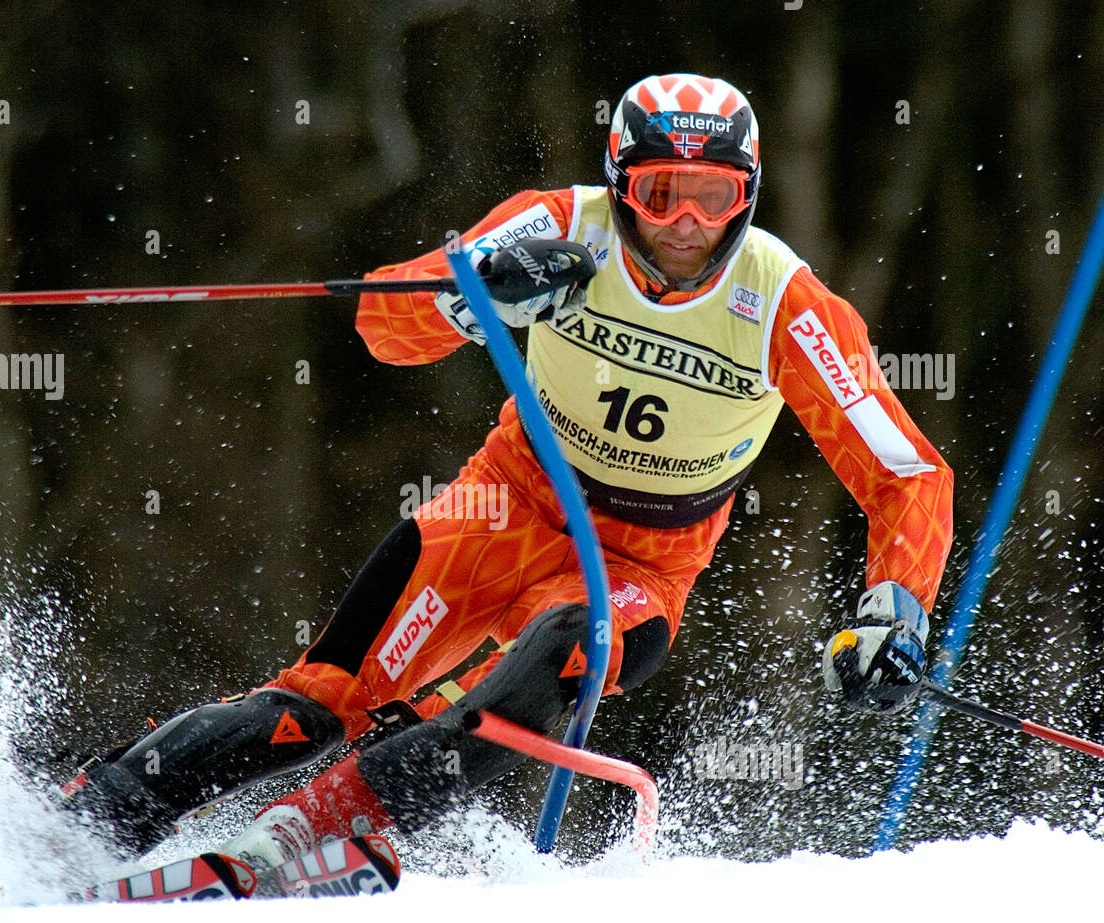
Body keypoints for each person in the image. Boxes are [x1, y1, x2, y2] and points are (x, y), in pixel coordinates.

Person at [65, 73, 953, 871]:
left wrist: (896, 604)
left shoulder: (785, 303)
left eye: (714, 198)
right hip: (498, 508)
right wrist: (474, 295)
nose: (687, 226)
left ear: (748, 197)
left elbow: (907, 474)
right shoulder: (562, 226)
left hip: (638, 563)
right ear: (621, 186)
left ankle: (320, 830)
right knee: (315, 706)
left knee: (570, 650)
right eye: (660, 193)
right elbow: (382, 321)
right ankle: (86, 820)